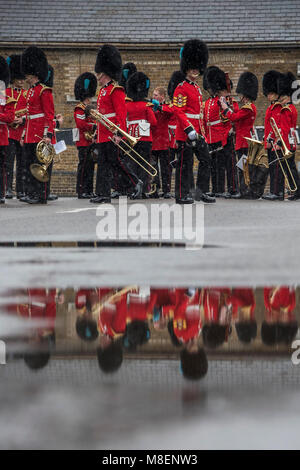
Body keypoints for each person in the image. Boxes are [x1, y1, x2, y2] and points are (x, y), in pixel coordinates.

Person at [89, 44, 142, 204]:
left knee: (116, 162)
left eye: (99, 73)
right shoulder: (103, 91)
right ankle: (103, 194)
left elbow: (121, 114)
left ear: (105, 73)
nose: (97, 76)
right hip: (103, 133)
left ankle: (135, 182)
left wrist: (119, 134)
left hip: (112, 134)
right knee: (103, 164)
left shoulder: (115, 90)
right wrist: (97, 132)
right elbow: (102, 115)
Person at [173, 39, 214, 204]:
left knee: (206, 160)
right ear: (186, 68)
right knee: (185, 164)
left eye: (197, 68)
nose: (195, 71)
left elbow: (199, 113)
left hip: (197, 132)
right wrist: (189, 130)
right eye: (192, 68)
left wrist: (201, 132)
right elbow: (178, 111)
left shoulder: (196, 88)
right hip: (185, 133)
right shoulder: (181, 88)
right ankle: (181, 194)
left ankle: (200, 192)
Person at [20, 46, 55, 204]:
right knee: (30, 165)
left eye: (27, 75)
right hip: (29, 133)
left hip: (40, 134)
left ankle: (41, 195)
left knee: (40, 164)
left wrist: (48, 135)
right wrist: (22, 134)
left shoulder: (43, 91)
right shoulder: (31, 91)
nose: (25, 78)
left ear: (33, 74)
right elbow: (28, 115)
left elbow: (49, 115)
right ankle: (32, 193)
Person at [220, 71, 258, 199]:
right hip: (242, 140)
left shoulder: (248, 108)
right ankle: (244, 190)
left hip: (243, 142)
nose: (240, 96)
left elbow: (234, 117)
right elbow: (238, 120)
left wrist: (225, 108)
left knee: (243, 169)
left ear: (245, 95)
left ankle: (245, 191)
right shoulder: (248, 107)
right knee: (242, 167)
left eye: (241, 94)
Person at [126, 72, 157, 197]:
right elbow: (154, 122)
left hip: (131, 137)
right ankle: (143, 190)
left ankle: (133, 188)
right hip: (145, 138)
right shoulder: (146, 106)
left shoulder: (127, 105)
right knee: (144, 164)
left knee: (132, 163)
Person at [202, 66, 227, 197]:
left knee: (220, 165)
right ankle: (214, 188)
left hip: (218, 135)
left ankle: (220, 189)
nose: (210, 90)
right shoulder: (207, 103)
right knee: (212, 165)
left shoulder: (220, 101)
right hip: (210, 136)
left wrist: (223, 136)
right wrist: (205, 136)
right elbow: (205, 121)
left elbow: (225, 119)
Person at [6, 54, 27, 200]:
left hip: (22, 132)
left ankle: (21, 189)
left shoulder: (26, 94)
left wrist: (23, 119)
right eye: (18, 78)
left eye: (22, 78)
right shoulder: (6, 93)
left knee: (22, 164)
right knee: (8, 163)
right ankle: (7, 188)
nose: (21, 80)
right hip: (8, 132)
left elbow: (31, 111)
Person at [74, 72, 97, 199]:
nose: (90, 99)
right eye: (88, 97)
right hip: (83, 141)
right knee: (83, 167)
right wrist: (93, 126)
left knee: (90, 167)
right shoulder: (79, 108)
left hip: (90, 141)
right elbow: (81, 124)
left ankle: (88, 190)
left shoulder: (89, 108)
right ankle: (81, 190)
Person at [277, 72, 300, 201]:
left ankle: (295, 190)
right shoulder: (292, 108)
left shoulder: (286, 109)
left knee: (289, 168)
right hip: (291, 140)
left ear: (286, 96)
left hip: (287, 141)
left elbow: (285, 129)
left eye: (282, 97)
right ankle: (295, 189)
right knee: (291, 168)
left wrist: (281, 142)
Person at [261, 70, 282, 200]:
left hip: (275, 141)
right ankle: (274, 191)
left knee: (276, 168)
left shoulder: (279, 107)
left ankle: (277, 192)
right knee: (272, 167)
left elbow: (277, 125)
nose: (269, 96)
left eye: (271, 93)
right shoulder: (271, 107)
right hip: (269, 141)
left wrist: (272, 139)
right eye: (268, 94)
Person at [151, 86, 173, 198]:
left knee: (165, 168)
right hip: (153, 141)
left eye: (156, 95)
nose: (153, 97)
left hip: (164, 141)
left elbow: (170, 112)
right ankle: (154, 189)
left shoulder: (166, 107)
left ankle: (166, 190)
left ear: (162, 96)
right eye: (153, 95)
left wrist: (159, 107)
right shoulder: (151, 108)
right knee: (153, 168)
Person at [0, 56, 16, 204]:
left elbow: (10, 117)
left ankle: (1, 193)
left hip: (1, 136)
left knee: (1, 168)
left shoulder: (6, 96)